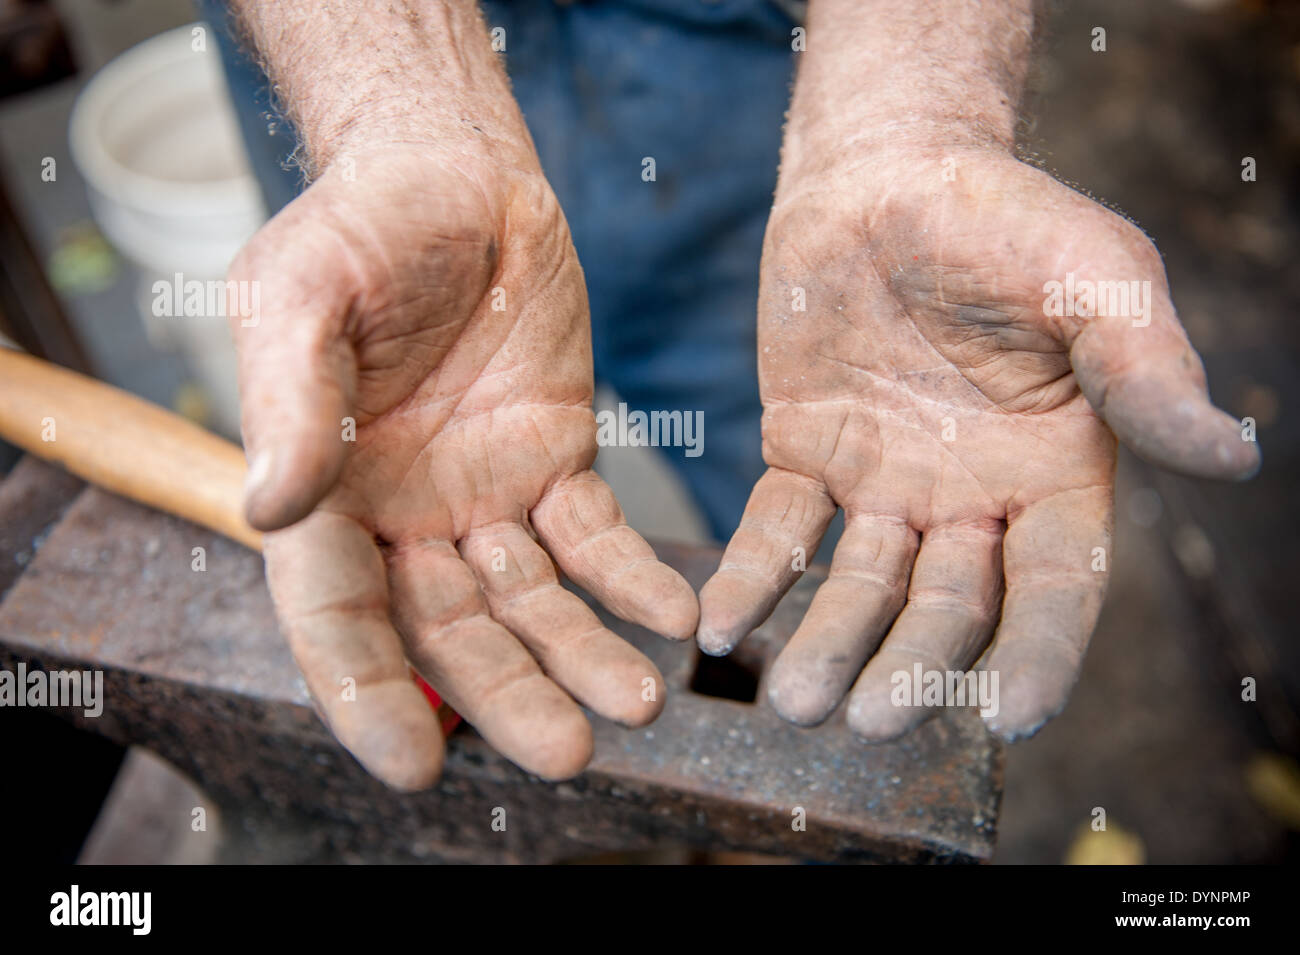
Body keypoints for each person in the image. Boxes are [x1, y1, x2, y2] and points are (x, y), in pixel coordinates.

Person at [207, 0, 1258, 790]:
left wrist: (906, 121)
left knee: (846, 503)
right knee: (417, 475)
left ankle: (821, 821)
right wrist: (393, 120)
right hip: (349, 38)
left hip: (705, 55)